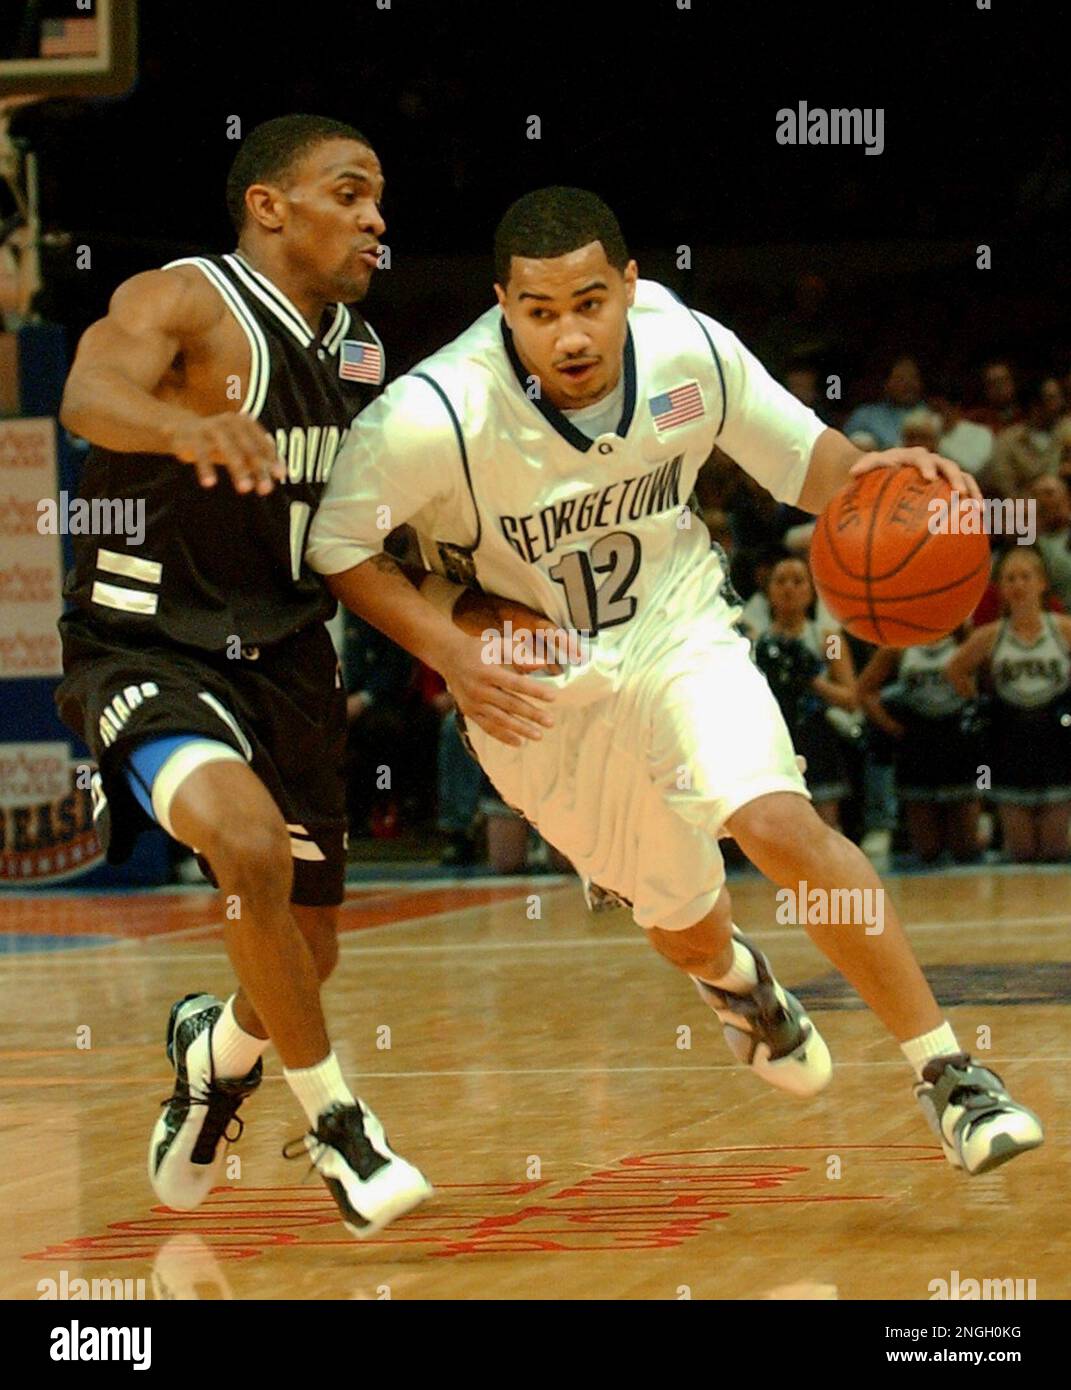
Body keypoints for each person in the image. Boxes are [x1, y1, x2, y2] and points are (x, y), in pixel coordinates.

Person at [307, 186, 1043, 1176]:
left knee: (775, 818)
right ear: (501, 303)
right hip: (538, 684)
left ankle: (947, 1072)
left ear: (630, 285)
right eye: (539, 310)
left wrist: (886, 488)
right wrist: (449, 648)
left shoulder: (686, 352)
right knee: (689, 930)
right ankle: (737, 979)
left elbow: (816, 468)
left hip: (676, 622)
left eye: (590, 302)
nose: (569, 334)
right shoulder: (433, 414)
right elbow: (338, 543)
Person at [54, 114, 431, 1237]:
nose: (376, 217)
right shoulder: (184, 300)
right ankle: (339, 1127)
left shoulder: (359, 351)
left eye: (379, 197)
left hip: (287, 657)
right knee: (249, 850)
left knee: (307, 947)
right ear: (270, 204)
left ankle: (213, 1057)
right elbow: (87, 392)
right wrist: (180, 431)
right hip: (145, 638)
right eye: (350, 191)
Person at [946, 548, 1071, 862]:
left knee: (1054, 850)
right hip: (1011, 741)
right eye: (1009, 578)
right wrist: (979, 702)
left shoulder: (1063, 628)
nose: (1018, 584)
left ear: (1042, 583)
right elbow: (955, 670)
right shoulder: (990, 635)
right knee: (1022, 851)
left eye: (1025, 577)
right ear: (1000, 588)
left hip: (1056, 741)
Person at [857, 633, 981, 863]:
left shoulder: (967, 640)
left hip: (958, 738)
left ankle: (986, 823)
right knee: (927, 850)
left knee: (965, 848)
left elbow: (988, 686)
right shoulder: (899, 645)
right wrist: (892, 727)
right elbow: (864, 690)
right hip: (917, 740)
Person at [753, 556, 858, 829]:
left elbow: (850, 699)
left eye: (798, 581)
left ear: (812, 591)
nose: (789, 588)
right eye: (780, 581)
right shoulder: (754, 643)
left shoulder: (829, 640)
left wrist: (813, 679)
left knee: (824, 826)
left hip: (817, 742)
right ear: (769, 591)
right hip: (773, 743)